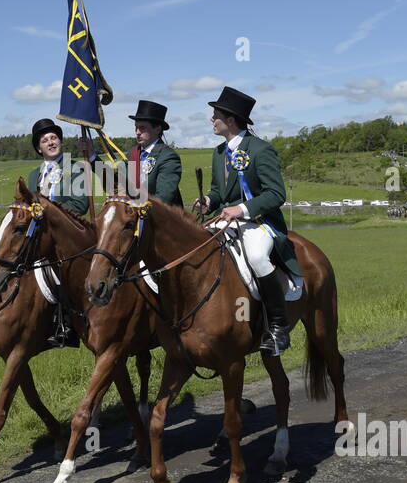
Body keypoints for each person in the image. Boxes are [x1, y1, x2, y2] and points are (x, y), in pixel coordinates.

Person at [194, 86, 301, 354]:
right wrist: (208, 201)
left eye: (215, 114)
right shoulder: (218, 153)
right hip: (226, 222)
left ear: (230, 119)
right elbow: (220, 192)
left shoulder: (261, 149)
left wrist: (241, 209)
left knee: (256, 257)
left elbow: (276, 194)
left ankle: (277, 328)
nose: (211, 119)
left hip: (260, 222)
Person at [25, 118, 92, 347]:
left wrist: (52, 219)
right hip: (41, 237)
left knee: (62, 273)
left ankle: (66, 325)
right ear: (38, 148)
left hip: (69, 238)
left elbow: (80, 204)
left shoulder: (76, 168)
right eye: (45, 140)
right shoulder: (34, 175)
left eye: (54, 137)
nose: (51, 142)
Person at [127, 100, 183, 207]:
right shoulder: (132, 153)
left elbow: (163, 198)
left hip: (160, 219)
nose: (137, 132)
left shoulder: (168, 157)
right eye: (136, 127)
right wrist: (93, 157)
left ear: (157, 129)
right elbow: (115, 181)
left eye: (142, 128)